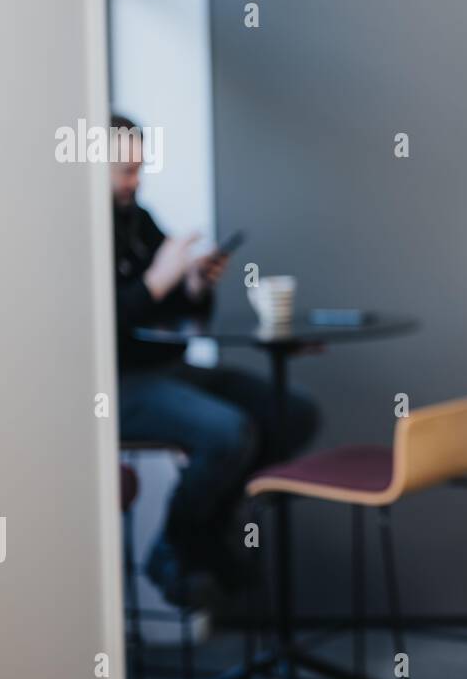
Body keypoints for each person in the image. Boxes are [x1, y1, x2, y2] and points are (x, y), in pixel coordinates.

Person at [110, 114, 320, 608]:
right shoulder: (76, 231)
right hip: (116, 383)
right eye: (126, 171)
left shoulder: (137, 220)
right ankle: (179, 547)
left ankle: (197, 534)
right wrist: (158, 280)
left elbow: (180, 310)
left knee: (291, 412)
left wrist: (195, 283)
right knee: (228, 432)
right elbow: (105, 320)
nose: (136, 181)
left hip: (169, 370)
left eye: (140, 169)